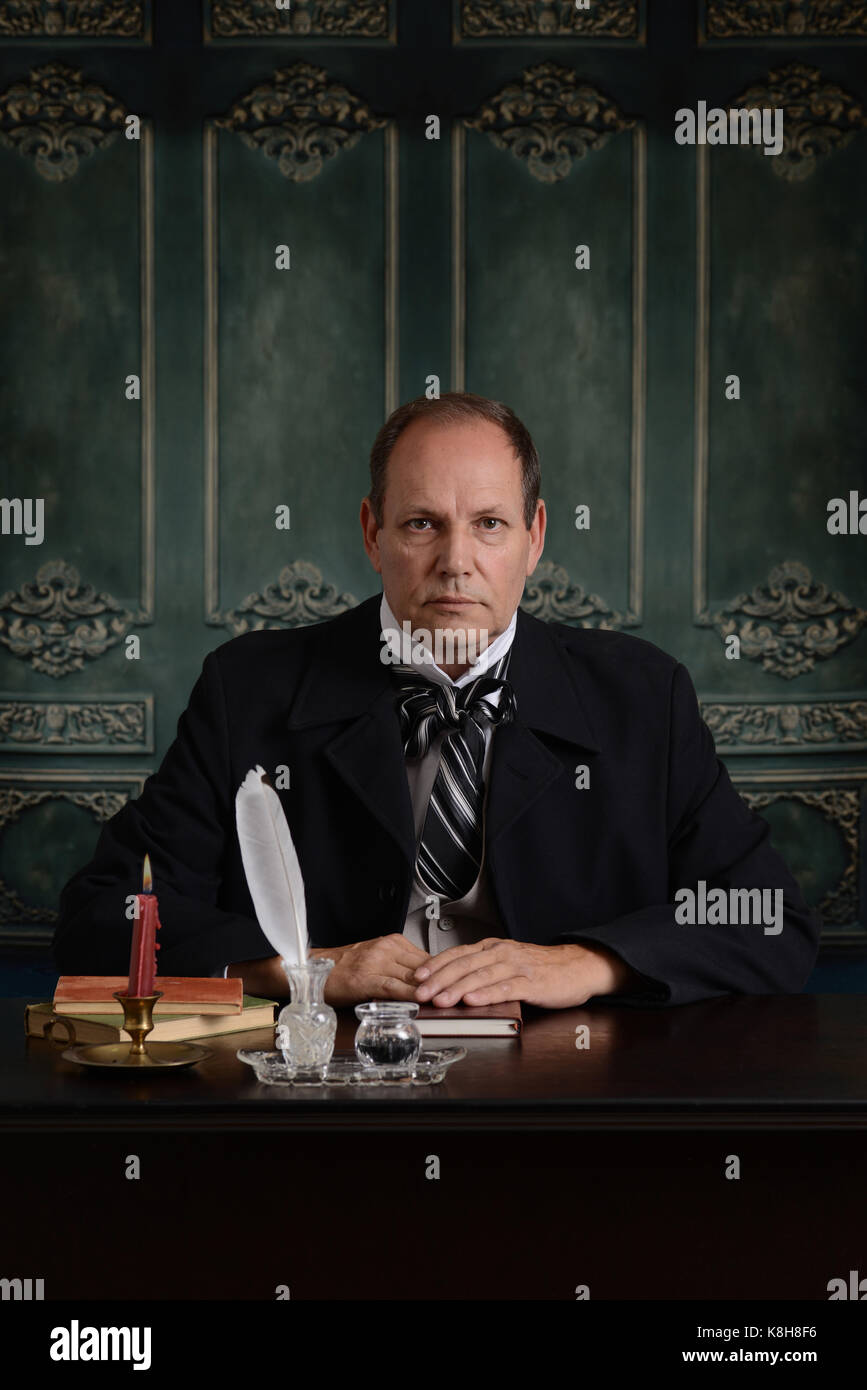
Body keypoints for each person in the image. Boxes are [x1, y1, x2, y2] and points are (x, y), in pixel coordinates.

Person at [53, 392, 822, 1009]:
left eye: (488, 524)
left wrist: (586, 964)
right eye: (422, 524)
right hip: (323, 1099)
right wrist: (306, 967)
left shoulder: (644, 698)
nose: (456, 562)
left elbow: (767, 921)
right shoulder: (246, 689)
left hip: (567, 1102)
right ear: (372, 533)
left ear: (534, 537)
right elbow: (104, 917)